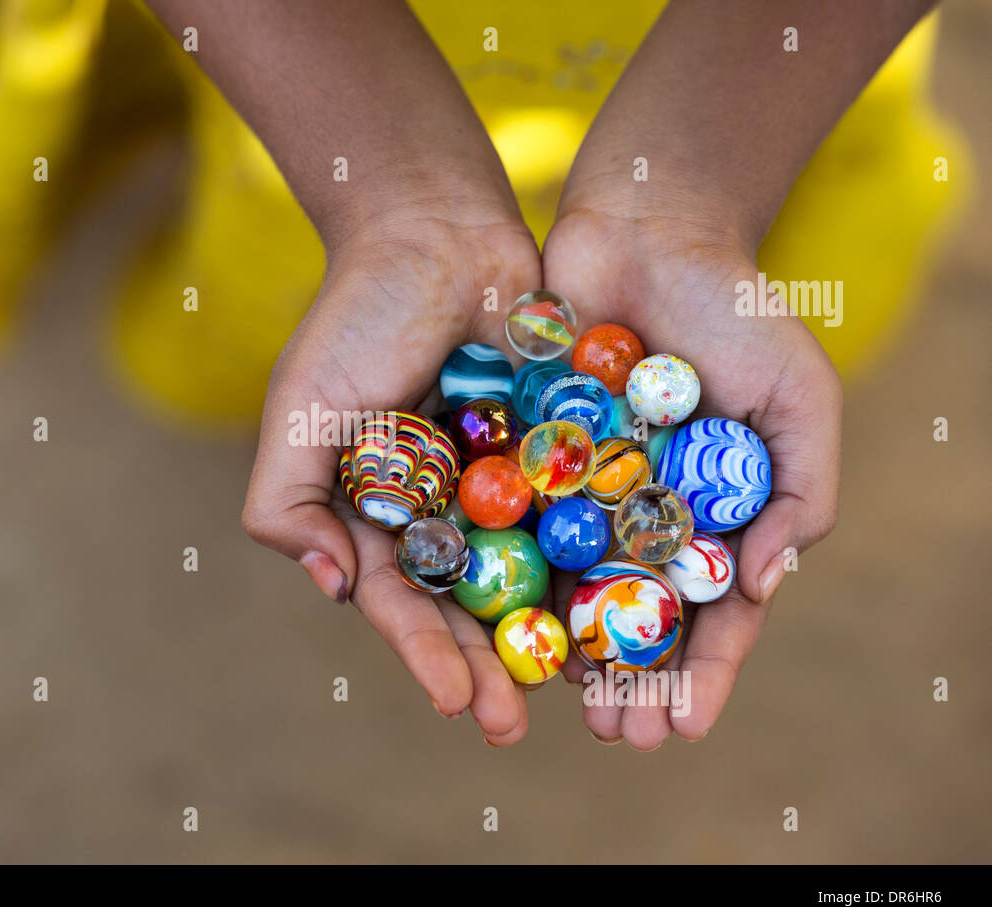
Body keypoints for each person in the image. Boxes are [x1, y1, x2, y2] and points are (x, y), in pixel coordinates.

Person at [143, 0, 948, 749]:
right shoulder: (526, 459)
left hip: (766, 84)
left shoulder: (603, 459)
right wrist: (395, 209)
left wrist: (693, 197)